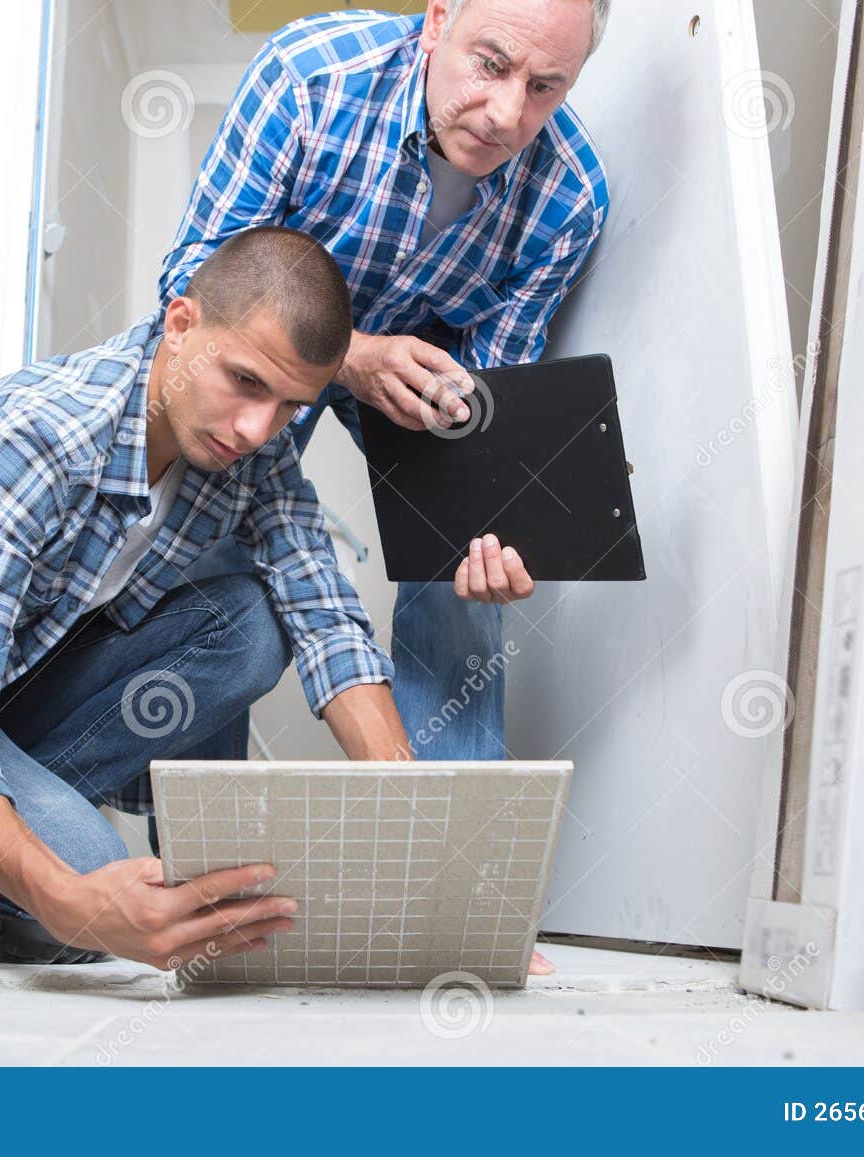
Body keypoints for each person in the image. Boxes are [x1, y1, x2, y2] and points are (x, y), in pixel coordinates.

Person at [0, 227, 415, 969]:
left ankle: (11, 842)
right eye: (246, 381)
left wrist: (420, 826)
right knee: (83, 894)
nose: (256, 429)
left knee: (252, 625)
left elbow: (325, 620)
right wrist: (73, 906)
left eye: (291, 407)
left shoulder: (249, 454)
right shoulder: (34, 439)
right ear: (181, 324)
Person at [163, 0, 610, 760]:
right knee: (206, 527)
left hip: (427, 379)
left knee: (461, 557)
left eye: (545, 88)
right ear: (437, 20)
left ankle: (442, 844)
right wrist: (351, 357)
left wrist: (492, 515)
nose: (506, 113)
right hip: (273, 341)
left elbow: (491, 405)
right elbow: (193, 287)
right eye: (492, 64)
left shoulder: (571, 199)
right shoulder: (308, 79)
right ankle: (207, 851)